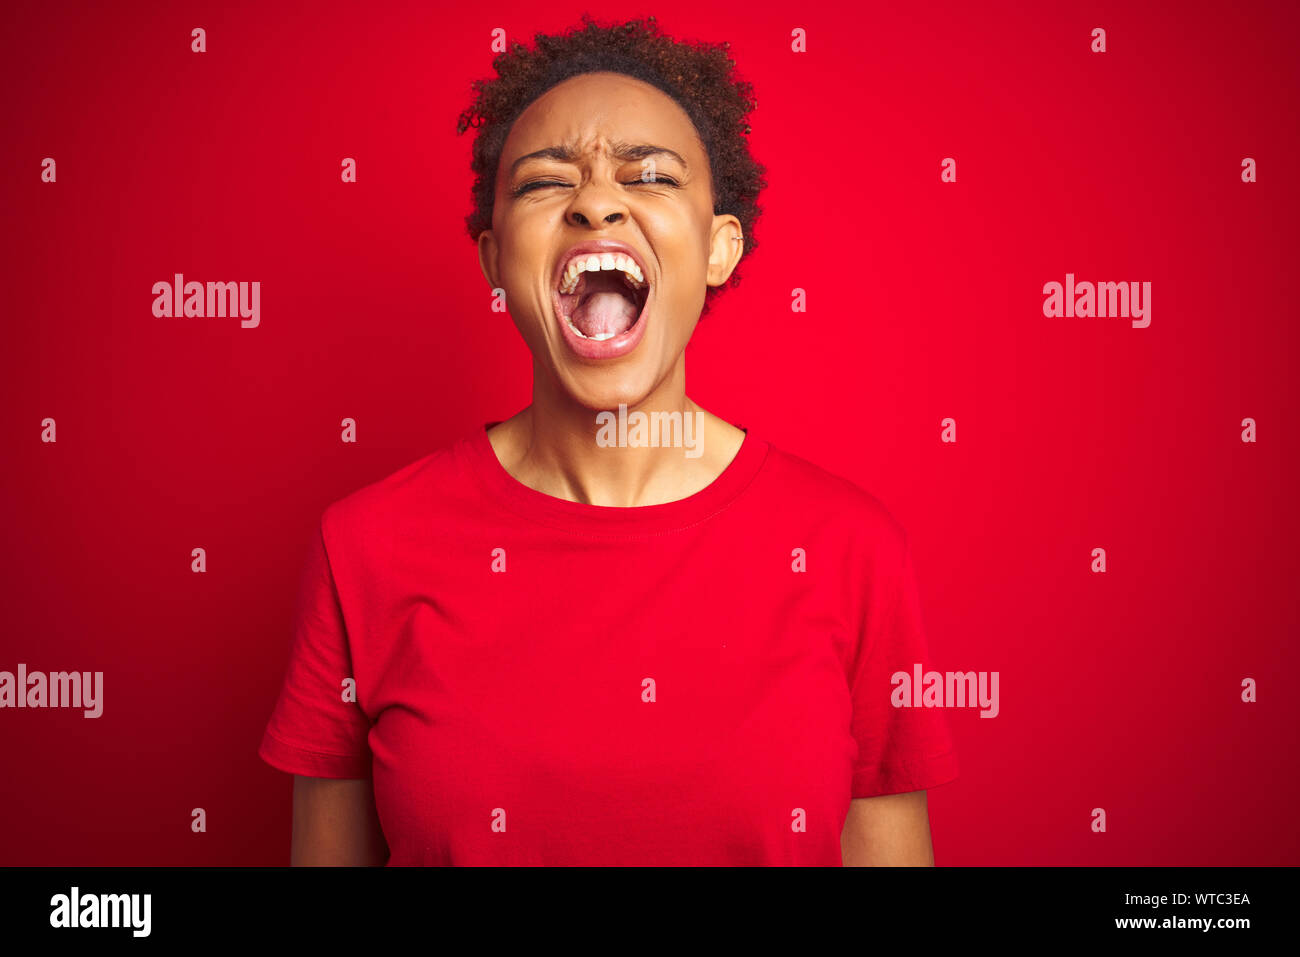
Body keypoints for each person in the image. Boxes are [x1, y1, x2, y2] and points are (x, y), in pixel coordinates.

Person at [259, 14, 958, 866]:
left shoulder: (852, 550)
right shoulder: (364, 546)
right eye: (545, 184)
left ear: (717, 247)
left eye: (653, 175)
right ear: (494, 259)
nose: (596, 200)